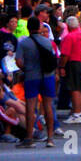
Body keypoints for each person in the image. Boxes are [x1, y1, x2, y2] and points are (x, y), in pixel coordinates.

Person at [16, 17, 59, 149]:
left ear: (28, 28)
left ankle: (29, 138)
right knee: (48, 106)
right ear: (39, 28)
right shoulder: (47, 42)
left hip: (31, 76)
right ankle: (50, 138)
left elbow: (18, 61)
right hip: (47, 76)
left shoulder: (24, 43)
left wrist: (26, 69)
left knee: (30, 106)